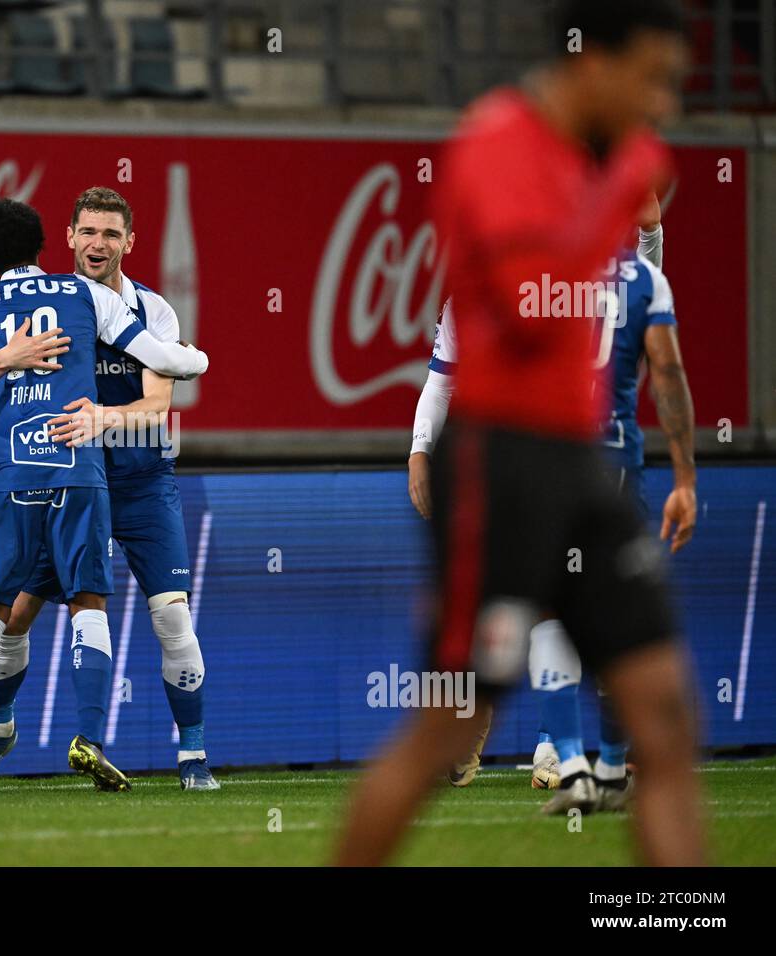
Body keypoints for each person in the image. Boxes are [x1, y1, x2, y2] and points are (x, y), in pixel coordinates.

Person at [340, 0, 705, 866]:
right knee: (450, 722)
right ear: (592, 63)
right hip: (500, 462)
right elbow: (532, 303)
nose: (666, 106)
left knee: (663, 710)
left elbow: (637, 257)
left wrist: (630, 195)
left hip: (585, 461)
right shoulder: (496, 143)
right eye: (653, 79)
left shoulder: (610, 158)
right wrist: (622, 195)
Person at [0, 198, 208, 792]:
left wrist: (102, 418)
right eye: (88, 230)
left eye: (111, 233)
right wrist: (8, 358)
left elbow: (159, 406)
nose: (98, 242)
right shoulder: (67, 297)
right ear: (67, 236)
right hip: (71, 476)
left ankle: (193, 757)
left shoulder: (147, 308)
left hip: (136, 484)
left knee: (172, 618)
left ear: (129, 241)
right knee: (16, 618)